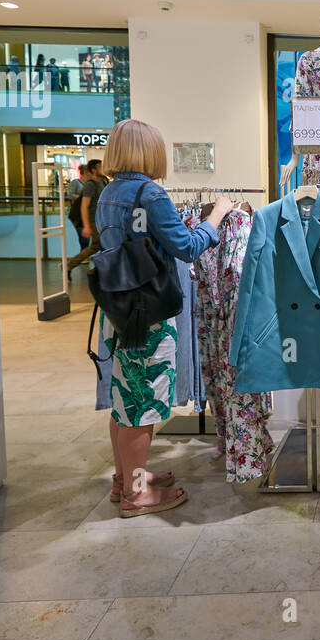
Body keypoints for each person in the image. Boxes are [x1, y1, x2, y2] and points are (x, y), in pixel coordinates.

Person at [94, 118, 233, 517]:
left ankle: (127, 480)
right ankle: (137, 496)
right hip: (149, 315)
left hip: (119, 311)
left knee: (124, 399)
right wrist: (216, 217)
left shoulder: (109, 193)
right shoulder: (150, 194)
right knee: (142, 404)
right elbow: (187, 248)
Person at [66, 159, 107, 272]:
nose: (103, 169)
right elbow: (84, 206)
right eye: (100, 167)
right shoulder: (90, 185)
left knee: (99, 246)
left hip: (102, 219)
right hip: (94, 220)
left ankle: (69, 267)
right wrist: (87, 225)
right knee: (98, 246)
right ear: (94, 170)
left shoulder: (103, 181)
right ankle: (70, 266)